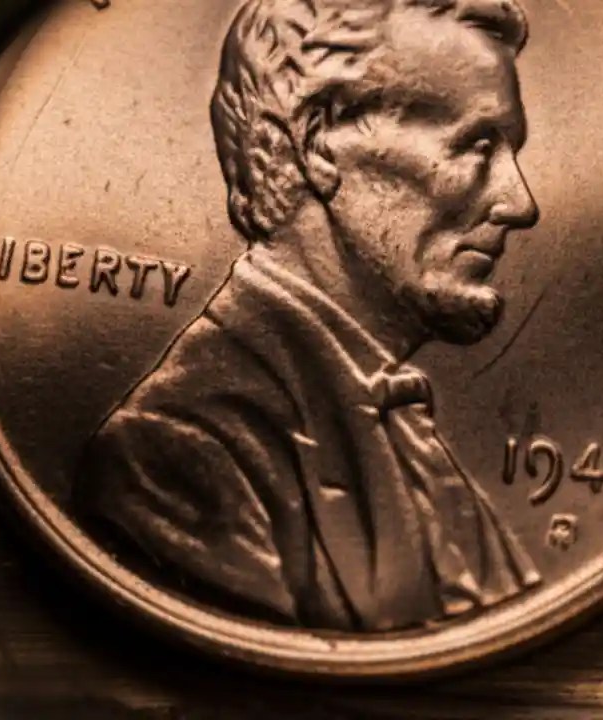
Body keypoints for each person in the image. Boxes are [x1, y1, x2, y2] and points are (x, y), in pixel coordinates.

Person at [75, 0, 543, 632]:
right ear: (319, 143)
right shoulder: (175, 456)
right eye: (477, 145)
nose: (520, 203)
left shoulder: (397, 423)